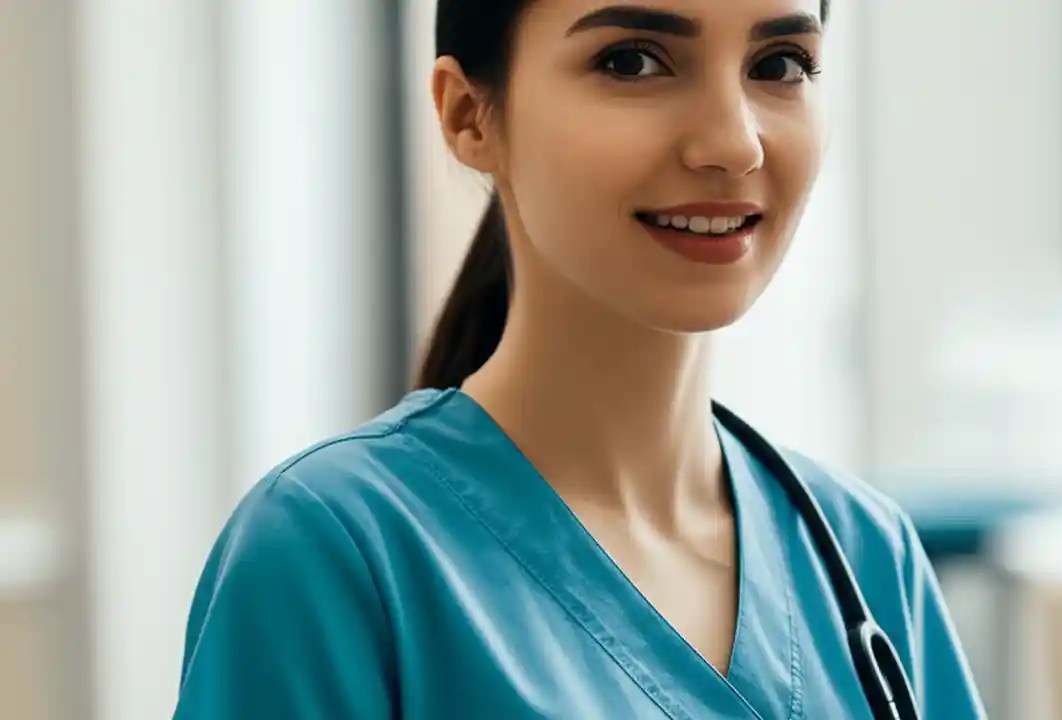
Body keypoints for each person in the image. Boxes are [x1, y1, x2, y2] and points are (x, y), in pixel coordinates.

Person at [174, 1, 986, 717]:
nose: (733, 144)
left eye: (779, 65)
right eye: (632, 61)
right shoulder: (334, 550)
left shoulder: (863, 551)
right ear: (468, 116)